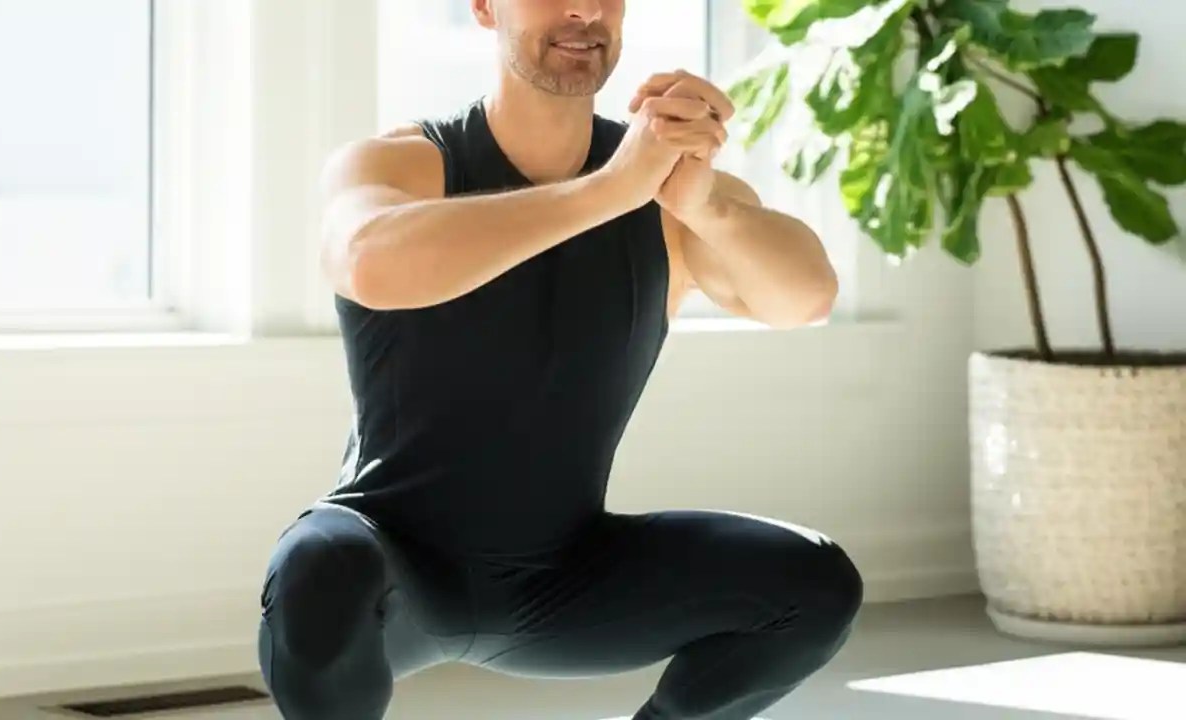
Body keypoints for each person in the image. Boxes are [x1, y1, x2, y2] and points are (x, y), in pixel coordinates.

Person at [256, 1, 863, 718]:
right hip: (393, 568)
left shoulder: (668, 193)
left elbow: (805, 298)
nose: (584, 9)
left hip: (563, 579)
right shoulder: (398, 164)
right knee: (317, 571)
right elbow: (366, 262)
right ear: (484, 7)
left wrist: (705, 205)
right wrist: (611, 190)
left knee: (814, 583)